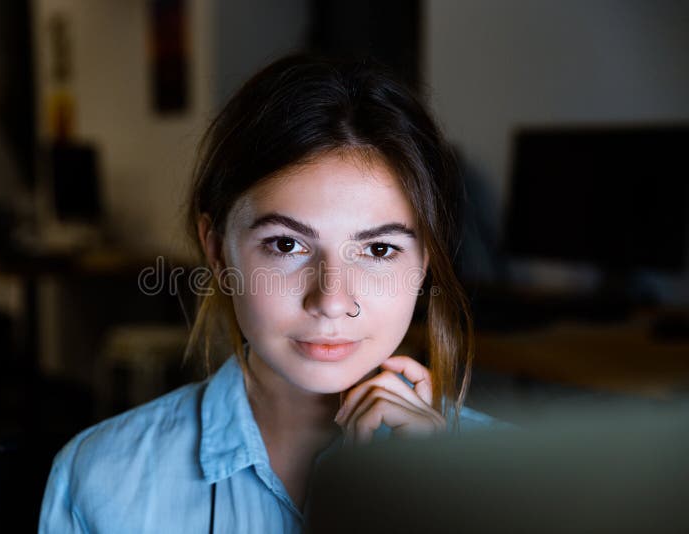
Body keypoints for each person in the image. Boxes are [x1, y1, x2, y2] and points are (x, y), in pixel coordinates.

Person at [38, 54, 498, 534]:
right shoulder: (101, 482)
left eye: (379, 249)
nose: (331, 300)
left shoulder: (512, 484)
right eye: (287, 245)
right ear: (217, 251)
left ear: (425, 262)